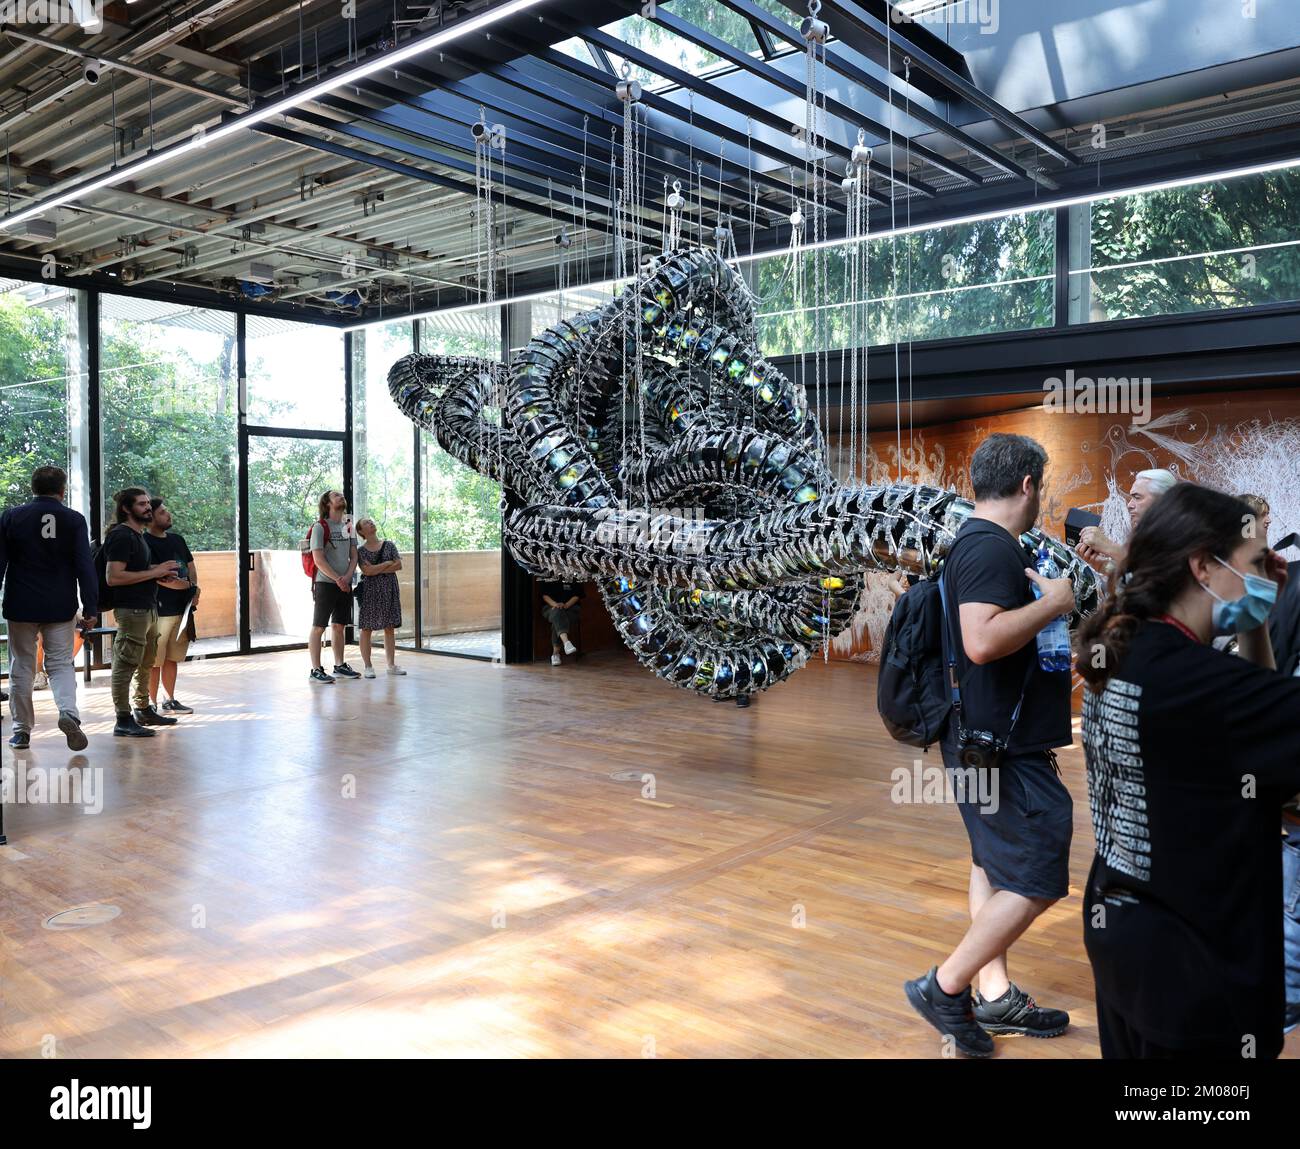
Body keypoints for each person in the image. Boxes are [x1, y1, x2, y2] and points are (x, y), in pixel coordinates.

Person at [1076, 482, 1300, 1058]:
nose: (1268, 574)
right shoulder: (1209, 687)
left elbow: (1259, 715)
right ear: (1203, 566)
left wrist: (1255, 618)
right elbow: (1265, 709)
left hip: (1124, 935)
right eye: (1254, 564)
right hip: (1196, 971)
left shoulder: (1124, 647)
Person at [903, 433, 1077, 1057]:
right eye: (1043, 487)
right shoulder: (988, 547)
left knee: (990, 863)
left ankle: (995, 993)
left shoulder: (982, 545)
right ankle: (945, 986)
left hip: (984, 740)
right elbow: (981, 640)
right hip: (1000, 748)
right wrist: (1054, 603)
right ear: (1028, 484)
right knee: (1037, 873)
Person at [0, 465, 98, 751]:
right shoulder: (74, 520)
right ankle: (68, 713)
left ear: (33, 487)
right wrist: (90, 605)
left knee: (22, 666)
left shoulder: (11, 517)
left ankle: (21, 732)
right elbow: (84, 565)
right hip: (59, 604)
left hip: (21, 603)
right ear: (62, 490)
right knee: (60, 664)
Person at [104, 488, 180, 737]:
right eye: (141, 504)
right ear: (126, 508)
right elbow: (113, 577)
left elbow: (137, 570)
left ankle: (143, 709)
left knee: (145, 663)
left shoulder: (137, 535)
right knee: (125, 665)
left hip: (148, 607)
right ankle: (122, 719)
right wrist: (155, 572)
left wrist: (158, 570)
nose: (148, 508)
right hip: (131, 610)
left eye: (148, 503)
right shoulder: (122, 536)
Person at [146, 497, 199, 713]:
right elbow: (160, 577)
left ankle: (170, 699)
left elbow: (190, 566)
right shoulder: (145, 542)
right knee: (153, 660)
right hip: (159, 611)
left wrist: (193, 587)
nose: (168, 515)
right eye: (162, 512)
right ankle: (150, 703)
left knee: (172, 657)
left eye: (167, 511)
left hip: (181, 609)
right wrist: (187, 586)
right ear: (150, 518)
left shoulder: (178, 539)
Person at [1076, 467, 1177, 569]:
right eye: (1131, 498)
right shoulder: (1144, 539)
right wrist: (1103, 566)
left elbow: (1161, 574)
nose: (1129, 505)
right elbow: (1142, 578)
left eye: (1137, 497)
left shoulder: (1182, 538)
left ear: (1163, 500)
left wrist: (1108, 546)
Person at [308, 490, 360, 684]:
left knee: (339, 625)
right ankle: (316, 670)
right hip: (325, 583)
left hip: (344, 583)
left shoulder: (348, 525)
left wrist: (346, 577)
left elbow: (354, 555)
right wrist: (339, 579)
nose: (341, 497)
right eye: (336, 495)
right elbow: (318, 559)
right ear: (327, 503)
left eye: (341, 495)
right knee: (318, 627)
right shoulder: (319, 527)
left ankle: (339, 665)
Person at [355, 518, 406, 679]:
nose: (371, 523)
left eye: (371, 521)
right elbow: (366, 572)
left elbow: (398, 565)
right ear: (361, 531)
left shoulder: (389, 545)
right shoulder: (360, 551)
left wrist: (376, 567)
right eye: (367, 523)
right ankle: (368, 666)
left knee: (389, 627)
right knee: (366, 628)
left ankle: (391, 665)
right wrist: (386, 564)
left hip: (389, 589)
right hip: (370, 592)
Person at [540, 579, 583, 666]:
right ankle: (566, 642)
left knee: (557, 621)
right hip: (550, 607)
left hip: (571, 608)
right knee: (558, 613)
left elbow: (577, 595)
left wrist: (566, 605)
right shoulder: (547, 575)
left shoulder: (573, 574)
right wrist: (555, 605)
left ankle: (555, 654)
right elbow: (545, 596)